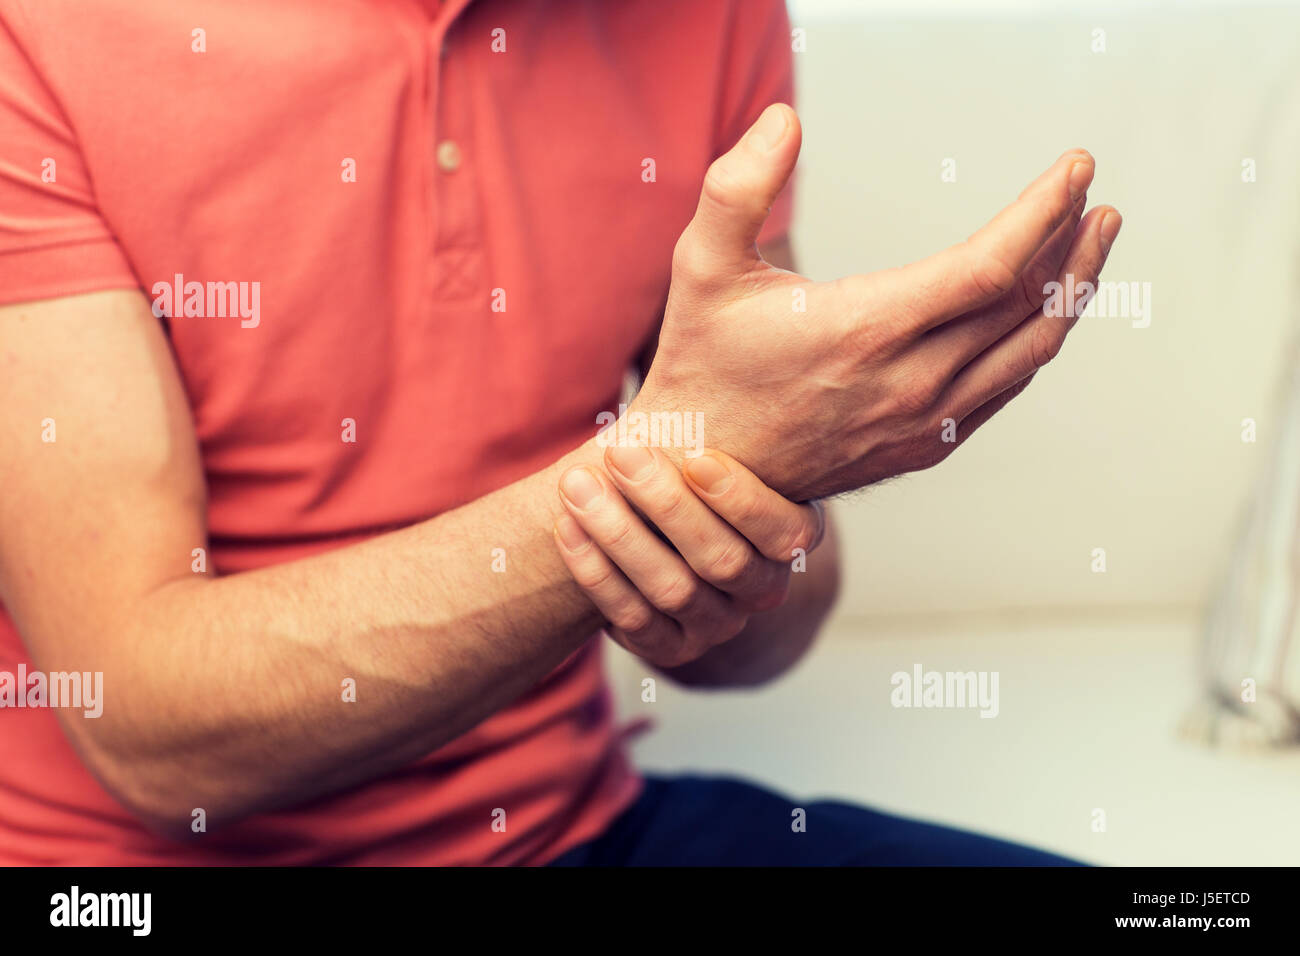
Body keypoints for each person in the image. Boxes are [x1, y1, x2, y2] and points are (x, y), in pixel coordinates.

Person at [0, 0, 1118, 865]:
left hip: (570, 832)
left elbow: (762, 640)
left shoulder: (703, 17)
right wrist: (652, 481)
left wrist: (761, 492)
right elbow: (144, 721)